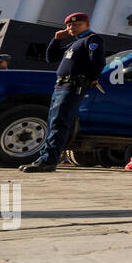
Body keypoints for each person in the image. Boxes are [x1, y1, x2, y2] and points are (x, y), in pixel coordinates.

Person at [21, 13, 105, 173]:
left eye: (76, 25)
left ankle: (48, 161)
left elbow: (98, 62)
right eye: (68, 25)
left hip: (74, 86)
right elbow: (50, 57)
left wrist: (90, 79)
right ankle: (44, 158)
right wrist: (57, 39)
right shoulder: (75, 43)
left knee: (60, 123)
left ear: (86, 24)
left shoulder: (92, 39)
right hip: (60, 86)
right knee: (53, 123)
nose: (71, 28)